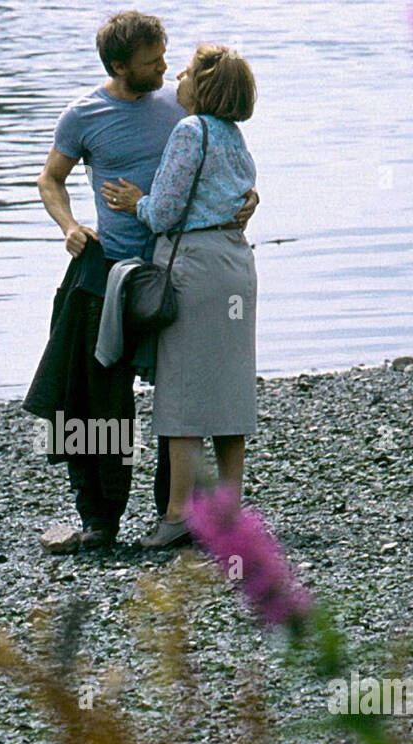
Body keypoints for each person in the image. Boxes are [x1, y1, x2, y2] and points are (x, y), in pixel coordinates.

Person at [24, 11, 258, 553]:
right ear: (119, 65)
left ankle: (176, 513)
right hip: (108, 269)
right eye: (153, 61)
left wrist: (246, 198)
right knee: (93, 399)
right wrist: (69, 226)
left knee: (180, 389)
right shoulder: (83, 115)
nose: (165, 67)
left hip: (172, 272)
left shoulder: (182, 106)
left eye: (165, 56)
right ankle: (100, 519)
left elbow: (225, 153)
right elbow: (49, 179)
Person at [100, 44, 259, 549]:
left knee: (184, 390)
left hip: (195, 265)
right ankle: (229, 511)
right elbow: (242, 195)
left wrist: (134, 203)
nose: (178, 80)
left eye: (187, 73)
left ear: (204, 87)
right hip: (236, 263)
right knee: (231, 391)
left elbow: (166, 211)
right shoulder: (234, 136)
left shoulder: (189, 131)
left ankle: (175, 515)